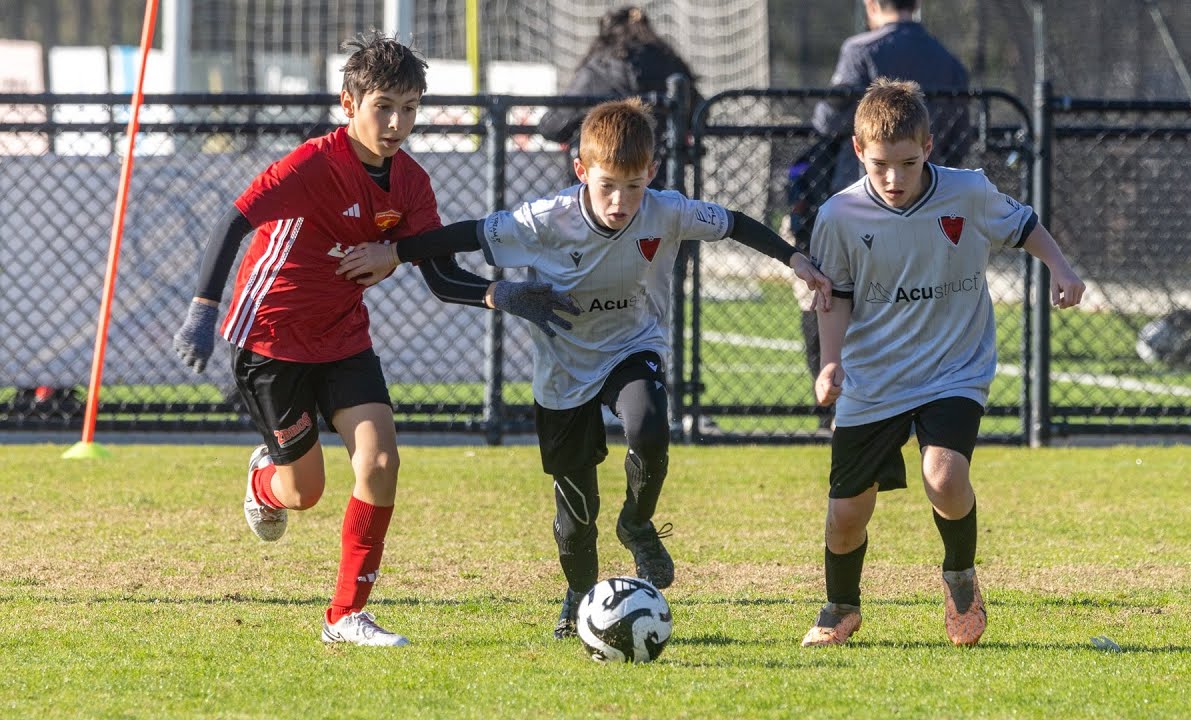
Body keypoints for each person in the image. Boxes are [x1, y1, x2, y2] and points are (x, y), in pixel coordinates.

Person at [335, 97, 833, 640]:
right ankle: (579, 591)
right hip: (562, 368)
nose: (621, 202)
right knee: (576, 515)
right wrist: (396, 252)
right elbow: (467, 234)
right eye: (607, 185)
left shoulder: (665, 210)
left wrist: (794, 259)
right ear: (581, 172)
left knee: (647, 425)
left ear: (652, 175)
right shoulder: (546, 220)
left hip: (630, 348)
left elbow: (733, 222)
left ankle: (638, 525)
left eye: (634, 186)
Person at [170, 31, 576, 647]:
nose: (396, 122)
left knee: (381, 461)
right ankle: (264, 481)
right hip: (273, 337)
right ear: (349, 102)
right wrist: (203, 309)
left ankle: (345, 616)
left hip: (344, 339)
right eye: (383, 105)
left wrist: (501, 294)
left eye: (409, 108)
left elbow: (440, 275)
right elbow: (233, 219)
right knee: (303, 494)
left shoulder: (411, 182)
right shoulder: (312, 164)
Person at [801, 78, 1085, 648]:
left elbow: (1024, 225)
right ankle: (841, 606)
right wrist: (831, 364)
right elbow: (836, 296)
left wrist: (1062, 268)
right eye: (881, 164)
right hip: (874, 377)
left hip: (955, 367)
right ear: (859, 151)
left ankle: (960, 578)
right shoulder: (839, 216)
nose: (894, 178)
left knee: (945, 476)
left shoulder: (968, 193)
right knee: (847, 514)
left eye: (908, 163)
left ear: (929, 147)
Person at [793, 0, 972, 429]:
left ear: (872, 4)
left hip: (863, 211)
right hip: (931, 210)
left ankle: (837, 408)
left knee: (831, 293)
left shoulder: (860, 51)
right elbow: (962, 137)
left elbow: (826, 119)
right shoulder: (948, 61)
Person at [536, 5, 699, 189]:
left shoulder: (599, 69)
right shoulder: (672, 64)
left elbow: (552, 126)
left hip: (603, 192)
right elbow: (698, 117)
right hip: (664, 184)